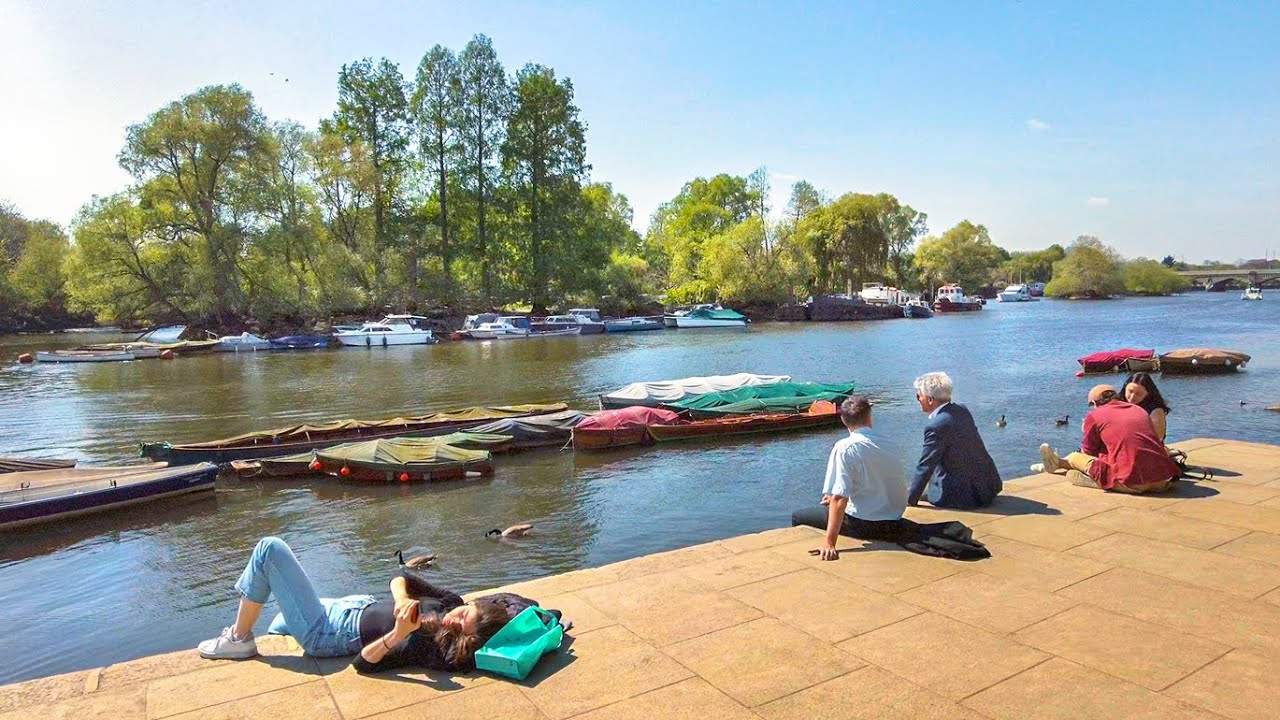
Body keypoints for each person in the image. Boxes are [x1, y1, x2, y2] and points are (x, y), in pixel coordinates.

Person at [199, 536, 556, 674]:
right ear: (473, 605)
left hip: (330, 633)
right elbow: (401, 578)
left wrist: (399, 634)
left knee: (270, 551)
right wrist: (402, 598)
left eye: (459, 631)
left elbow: (361, 664)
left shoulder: (427, 647)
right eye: (463, 616)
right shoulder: (452, 602)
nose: (451, 621)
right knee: (276, 621)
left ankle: (239, 639)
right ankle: (256, 632)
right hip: (348, 605)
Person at [791, 395, 989, 561]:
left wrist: (829, 543)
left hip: (867, 523)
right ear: (870, 418)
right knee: (830, 505)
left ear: (843, 420)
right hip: (894, 517)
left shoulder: (845, 447)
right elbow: (876, 481)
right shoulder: (889, 443)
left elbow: (838, 499)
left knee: (799, 516)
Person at [1036, 384, 1179, 494]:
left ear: (1094, 403)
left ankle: (1060, 463)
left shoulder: (1096, 415)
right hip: (1163, 479)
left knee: (1074, 463)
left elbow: (1087, 453)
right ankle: (1059, 463)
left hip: (1133, 482)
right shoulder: (1138, 410)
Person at [908, 372, 1002, 508]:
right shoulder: (962, 410)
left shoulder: (936, 426)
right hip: (987, 489)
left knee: (907, 492)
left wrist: (910, 500)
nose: (918, 400)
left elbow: (925, 465)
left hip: (961, 496)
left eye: (919, 396)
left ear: (930, 400)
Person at [1120, 371, 1170, 442]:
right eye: (1130, 391)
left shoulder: (1155, 410)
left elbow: (1158, 437)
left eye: (1139, 394)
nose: (1132, 396)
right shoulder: (1117, 404)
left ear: (1147, 394)